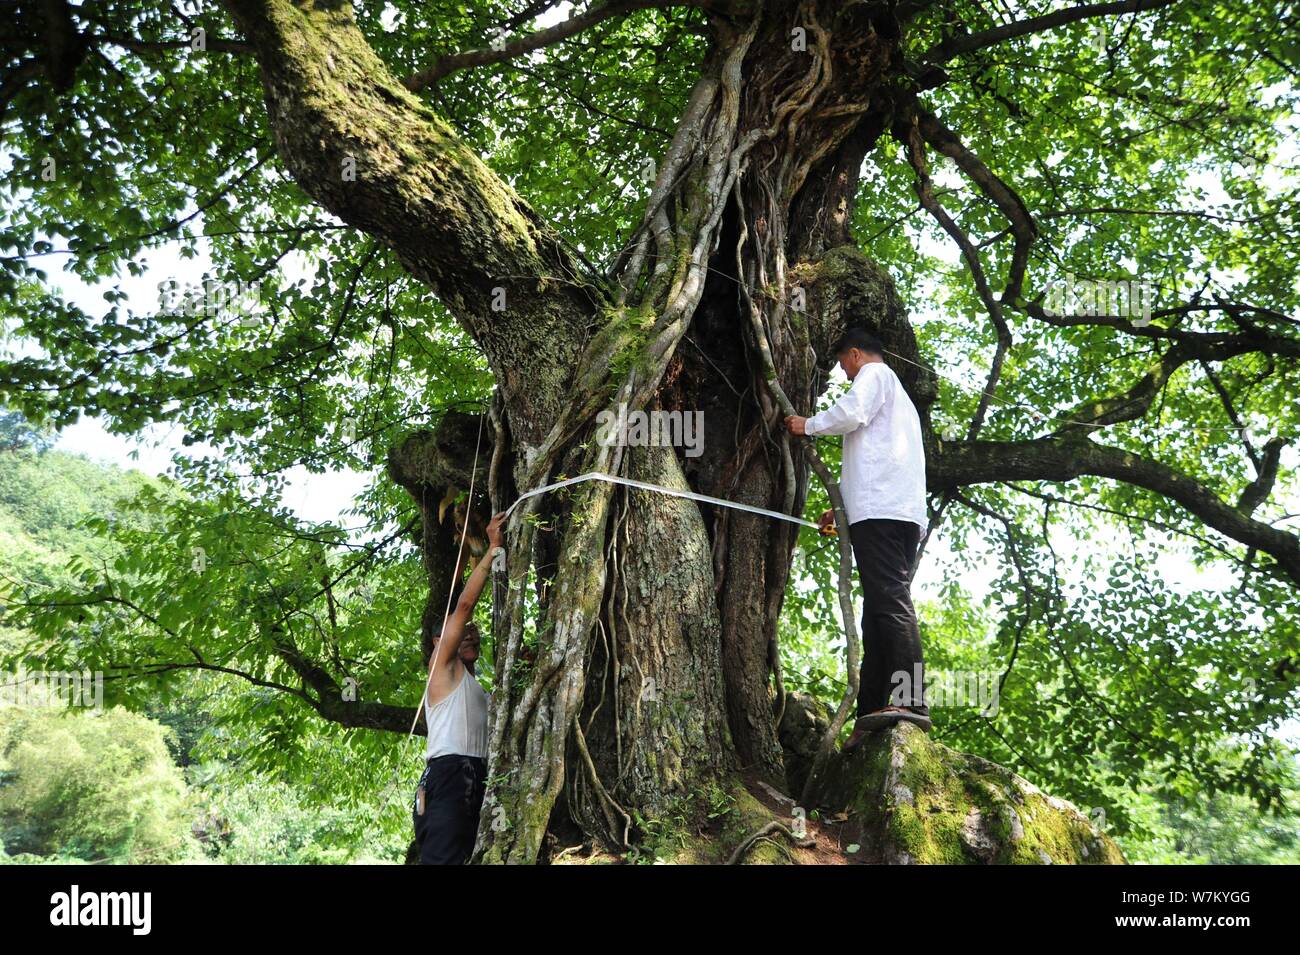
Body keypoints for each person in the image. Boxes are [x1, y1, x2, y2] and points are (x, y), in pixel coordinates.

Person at [784, 328, 931, 748]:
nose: (844, 375)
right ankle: (871, 712)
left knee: (889, 600)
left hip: (883, 512)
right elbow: (876, 456)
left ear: (855, 354)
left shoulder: (876, 376)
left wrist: (806, 425)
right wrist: (844, 507)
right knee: (878, 613)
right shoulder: (897, 396)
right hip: (890, 510)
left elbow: (852, 413)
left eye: (843, 365)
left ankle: (911, 700)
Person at [411, 511, 505, 865]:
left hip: (472, 778)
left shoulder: (474, 686)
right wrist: (492, 549)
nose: (471, 632)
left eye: (475, 630)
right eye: (462, 630)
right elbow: (464, 605)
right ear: (440, 641)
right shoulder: (441, 666)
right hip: (451, 775)